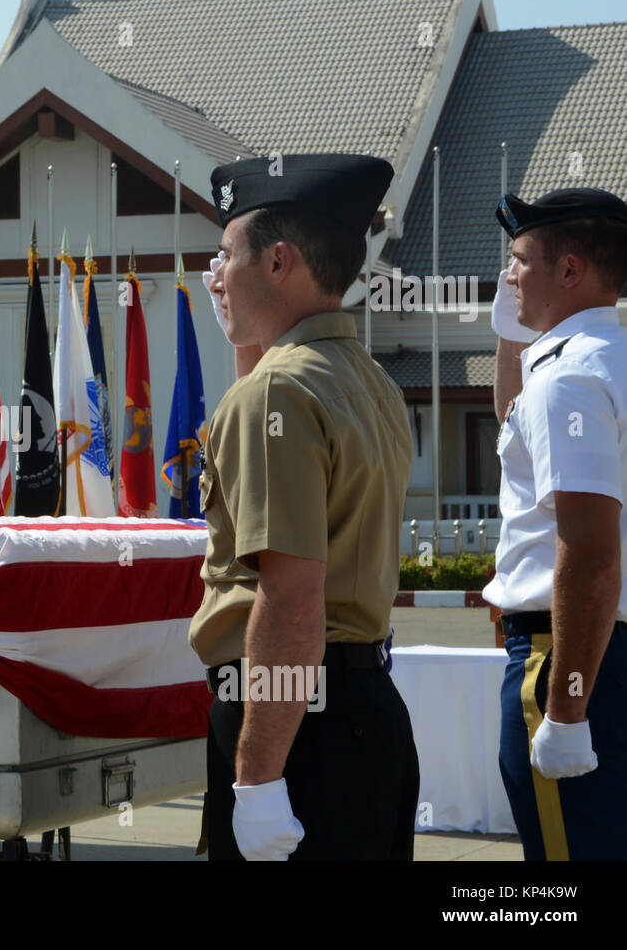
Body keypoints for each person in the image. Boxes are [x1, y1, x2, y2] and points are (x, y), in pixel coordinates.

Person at [189, 153, 418, 860]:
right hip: (359, 716)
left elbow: (289, 598)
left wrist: (256, 782)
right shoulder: (366, 379)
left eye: (226, 256)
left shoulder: (276, 394)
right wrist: (249, 336)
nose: (216, 276)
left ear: (279, 261)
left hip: (295, 732)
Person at [485, 187, 627, 860]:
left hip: (567, 658)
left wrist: (567, 708)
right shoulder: (605, 360)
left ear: (568, 271)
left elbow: (591, 553)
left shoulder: (567, 379)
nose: (509, 276)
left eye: (520, 260)